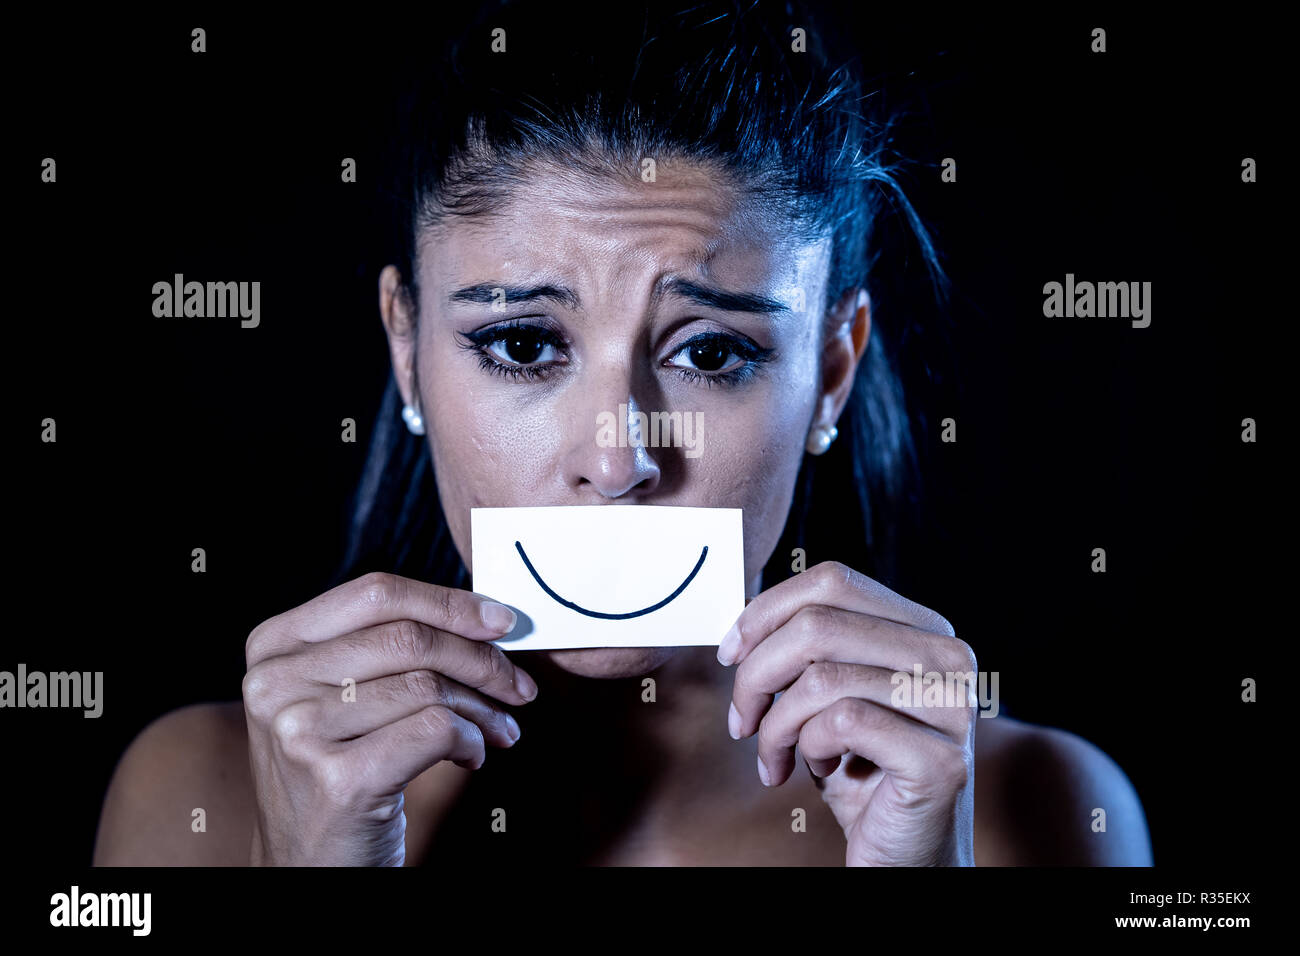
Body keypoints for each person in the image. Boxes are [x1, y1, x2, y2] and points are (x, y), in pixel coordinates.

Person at [93, 0, 1152, 866]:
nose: (615, 458)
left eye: (712, 352)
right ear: (406, 348)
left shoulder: (1038, 812)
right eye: (519, 345)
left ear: (832, 372)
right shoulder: (196, 795)